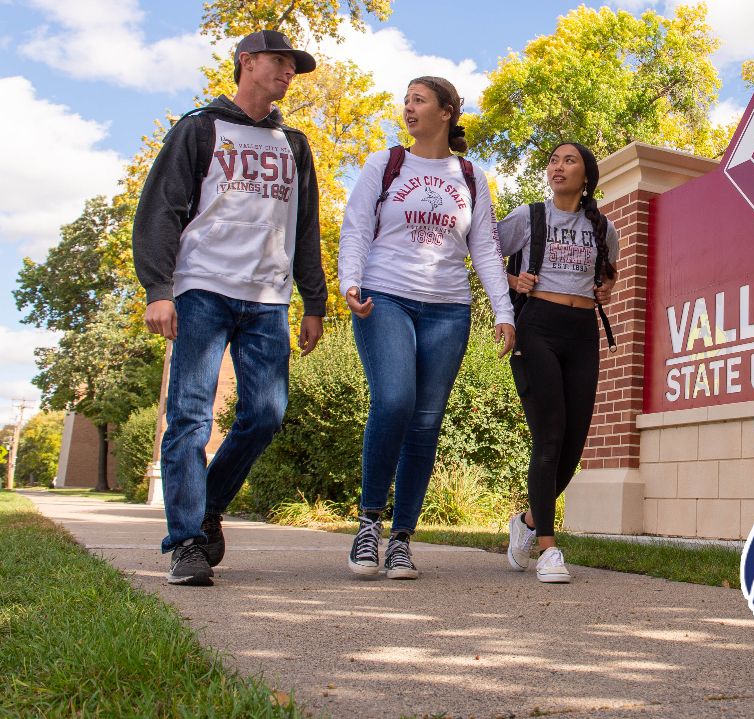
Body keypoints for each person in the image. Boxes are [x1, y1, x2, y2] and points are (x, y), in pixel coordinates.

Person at [133, 30, 326, 586]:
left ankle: (207, 506)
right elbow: (161, 210)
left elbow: (305, 227)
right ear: (246, 62)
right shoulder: (200, 128)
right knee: (190, 417)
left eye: (293, 65)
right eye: (279, 61)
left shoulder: (294, 144)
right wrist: (158, 289)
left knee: (266, 413)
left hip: (268, 298)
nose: (288, 72)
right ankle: (186, 543)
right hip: (202, 288)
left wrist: (314, 300)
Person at [338, 76, 516, 580]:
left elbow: (485, 248)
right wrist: (350, 281)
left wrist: (503, 311)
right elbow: (356, 227)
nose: (408, 108)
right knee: (394, 400)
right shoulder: (385, 163)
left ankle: (401, 539)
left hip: (448, 309)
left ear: (446, 112)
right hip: (385, 296)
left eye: (418, 100)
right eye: (406, 100)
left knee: (425, 422)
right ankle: (368, 523)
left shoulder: (471, 177)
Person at [499, 142, 618, 583]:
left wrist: (606, 287)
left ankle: (528, 521)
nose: (558, 166)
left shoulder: (603, 227)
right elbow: (481, 252)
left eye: (569, 160)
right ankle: (548, 547)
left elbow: (609, 272)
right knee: (548, 436)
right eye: (553, 160)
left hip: (583, 331)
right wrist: (513, 279)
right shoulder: (529, 217)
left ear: (587, 176)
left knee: (572, 448)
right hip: (538, 327)